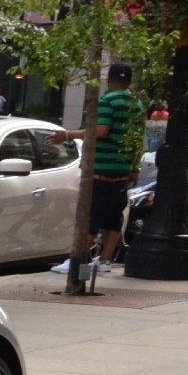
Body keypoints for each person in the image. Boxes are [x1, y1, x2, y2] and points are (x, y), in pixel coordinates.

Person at [50, 60, 138, 272]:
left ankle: (78, 260)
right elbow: (137, 137)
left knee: (91, 216)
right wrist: (134, 167)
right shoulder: (137, 104)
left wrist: (68, 135)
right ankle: (105, 260)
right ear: (130, 81)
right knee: (114, 217)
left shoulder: (107, 101)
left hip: (102, 169)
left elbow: (101, 131)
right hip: (122, 169)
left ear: (108, 80)